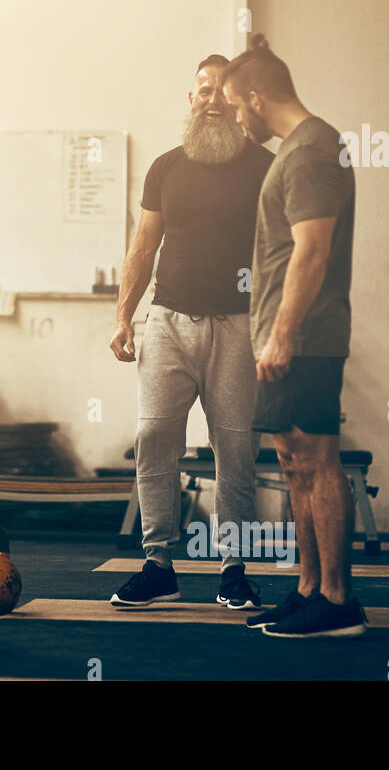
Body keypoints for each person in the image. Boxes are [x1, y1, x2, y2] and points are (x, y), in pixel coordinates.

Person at [109, 54, 273, 610]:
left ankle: (235, 568)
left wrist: (277, 329)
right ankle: (158, 564)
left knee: (236, 450)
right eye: (203, 91)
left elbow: (282, 253)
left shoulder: (264, 167)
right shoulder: (165, 168)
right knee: (154, 439)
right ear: (191, 99)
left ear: (237, 101)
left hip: (240, 327)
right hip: (168, 323)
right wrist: (122, 315)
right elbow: (142, 246)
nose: (212, 100)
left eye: (222, 93)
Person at [220, 34, 366, 638]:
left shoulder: (311, 151)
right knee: (293, 461)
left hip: (304, 340)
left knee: (316, 459)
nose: (232, 116)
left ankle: (337, 601)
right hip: (286, 339)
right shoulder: (299, 151)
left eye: (233, 104)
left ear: (256, 97)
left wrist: (281, 335)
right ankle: (309, 589)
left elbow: (312, 251)